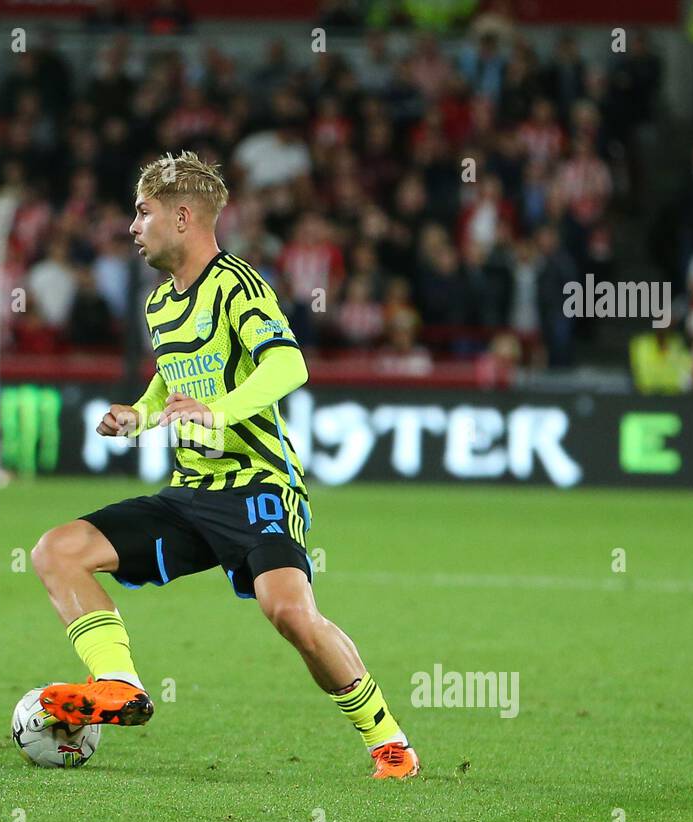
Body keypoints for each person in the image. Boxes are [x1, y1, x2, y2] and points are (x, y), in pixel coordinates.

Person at [28, 152, 419, 779]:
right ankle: (119, 685)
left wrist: (219, 410)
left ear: (182, 217)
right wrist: (139, 414)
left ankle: (389, 742)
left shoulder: (238, 284)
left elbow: (290, 365)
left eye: (142, 212)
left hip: (259, 486)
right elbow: (169, 382)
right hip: (191, 493)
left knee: (288, 611)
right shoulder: (160, 305)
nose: (133, 226)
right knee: (57, 550)